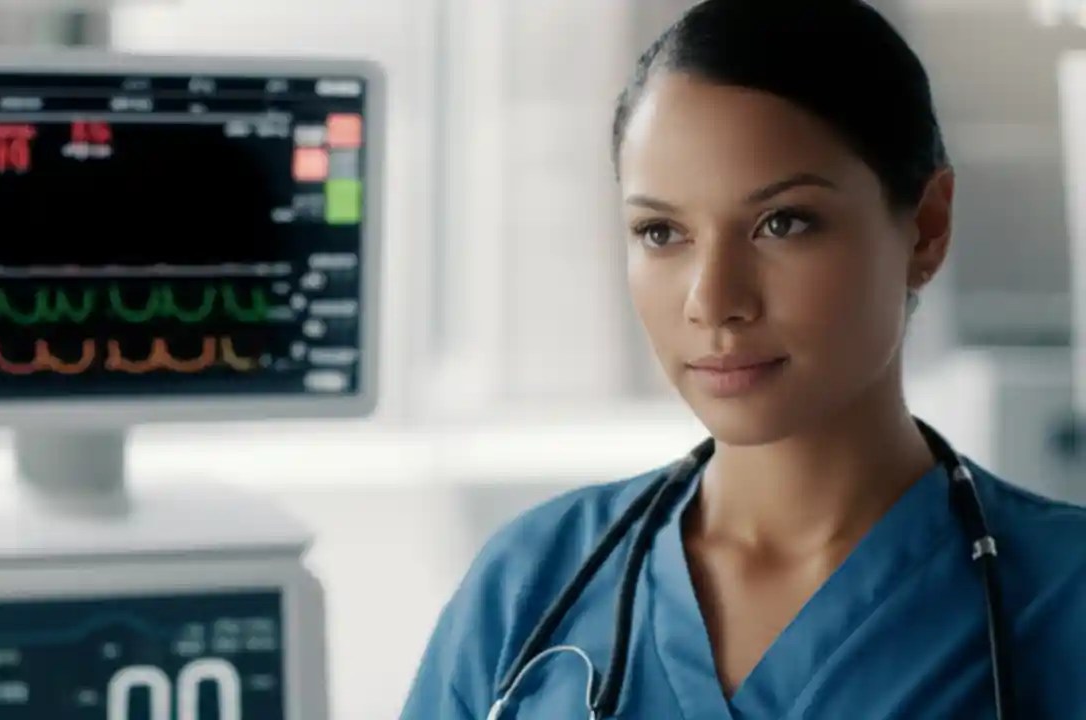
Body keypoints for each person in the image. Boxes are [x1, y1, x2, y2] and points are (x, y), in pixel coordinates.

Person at [399, 1, 1086, 718]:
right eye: (662, 232)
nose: (713, 299)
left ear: (926, 228)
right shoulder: (530, 585)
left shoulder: (1063, 599)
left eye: (782, 223)